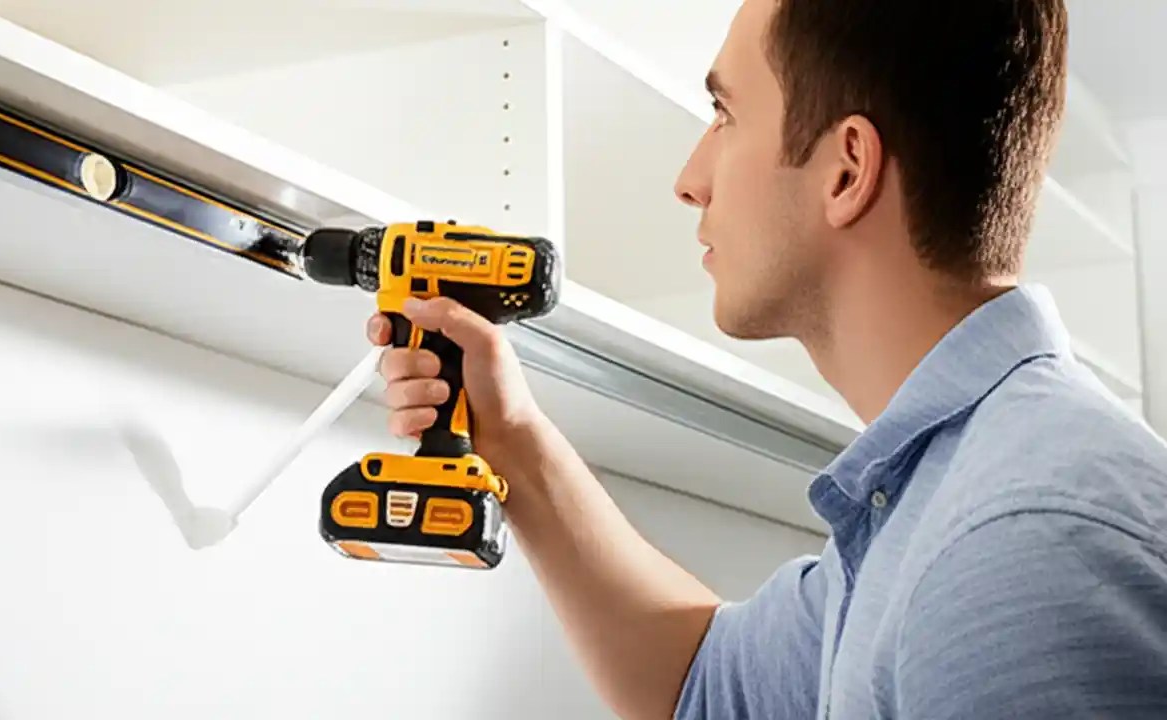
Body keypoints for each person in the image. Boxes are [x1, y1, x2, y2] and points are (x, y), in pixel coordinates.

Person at [367, 0, 1167, 717]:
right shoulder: (931, 501)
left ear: (846, 170)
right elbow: (706, 684)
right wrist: (510, 435)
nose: (690, 180)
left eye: (725, 114)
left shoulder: (1015, 548)